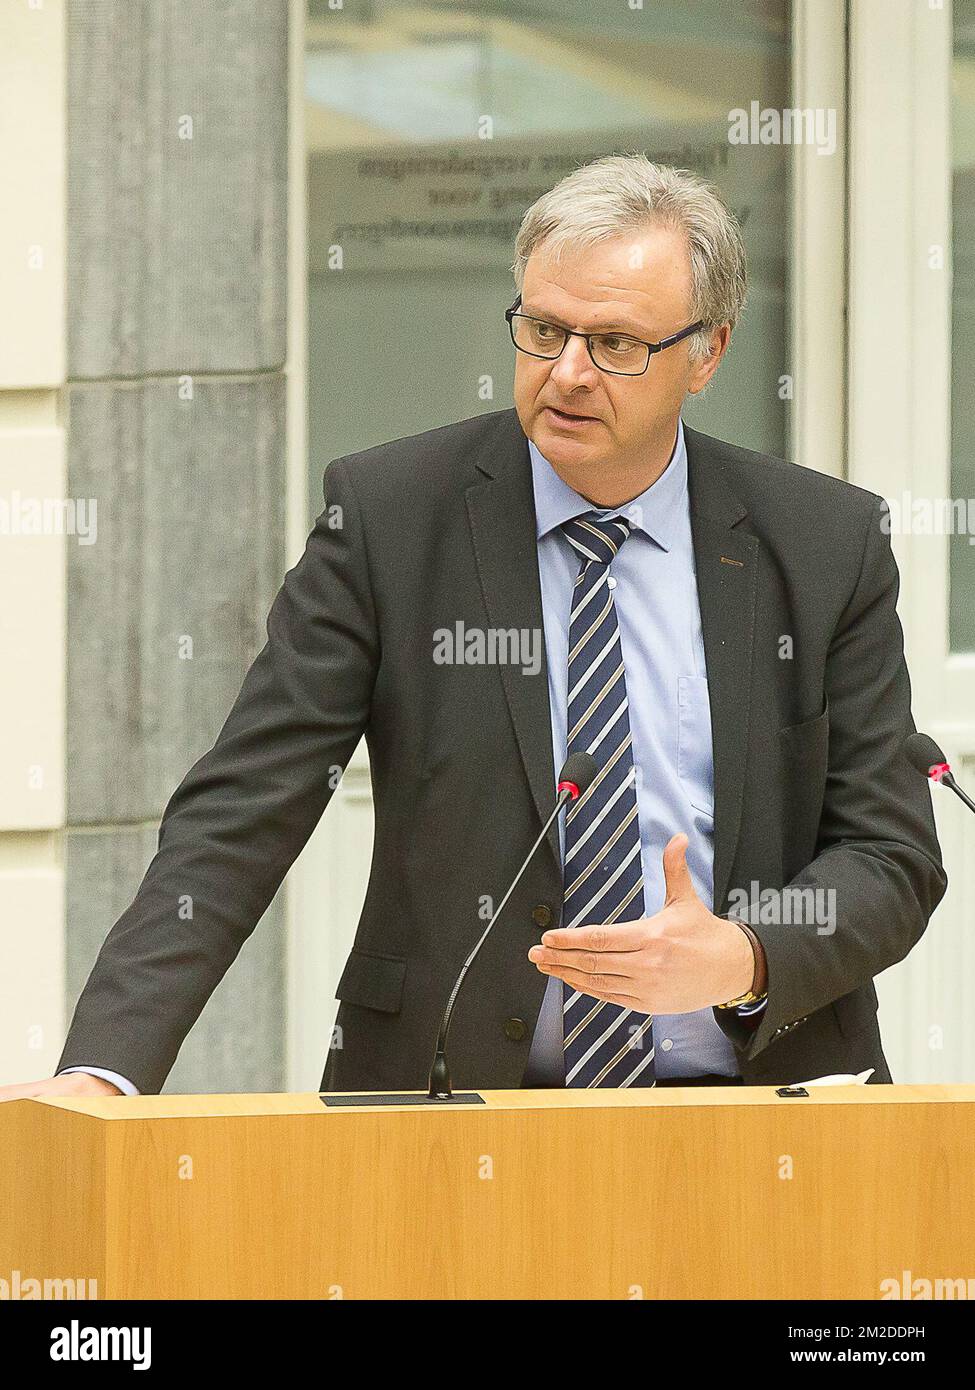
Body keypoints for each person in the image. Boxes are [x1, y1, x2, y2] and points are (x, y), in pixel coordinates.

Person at [0, 154, 945, 1103]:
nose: (567, 375)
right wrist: (104, 1066)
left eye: (615, 343)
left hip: (758, 1115)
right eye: (542, 331)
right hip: (451, 1108)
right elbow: (241, 812)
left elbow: (891, 856)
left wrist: (744, 956)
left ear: (707, 353)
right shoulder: (391, 518)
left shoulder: (822, 544)